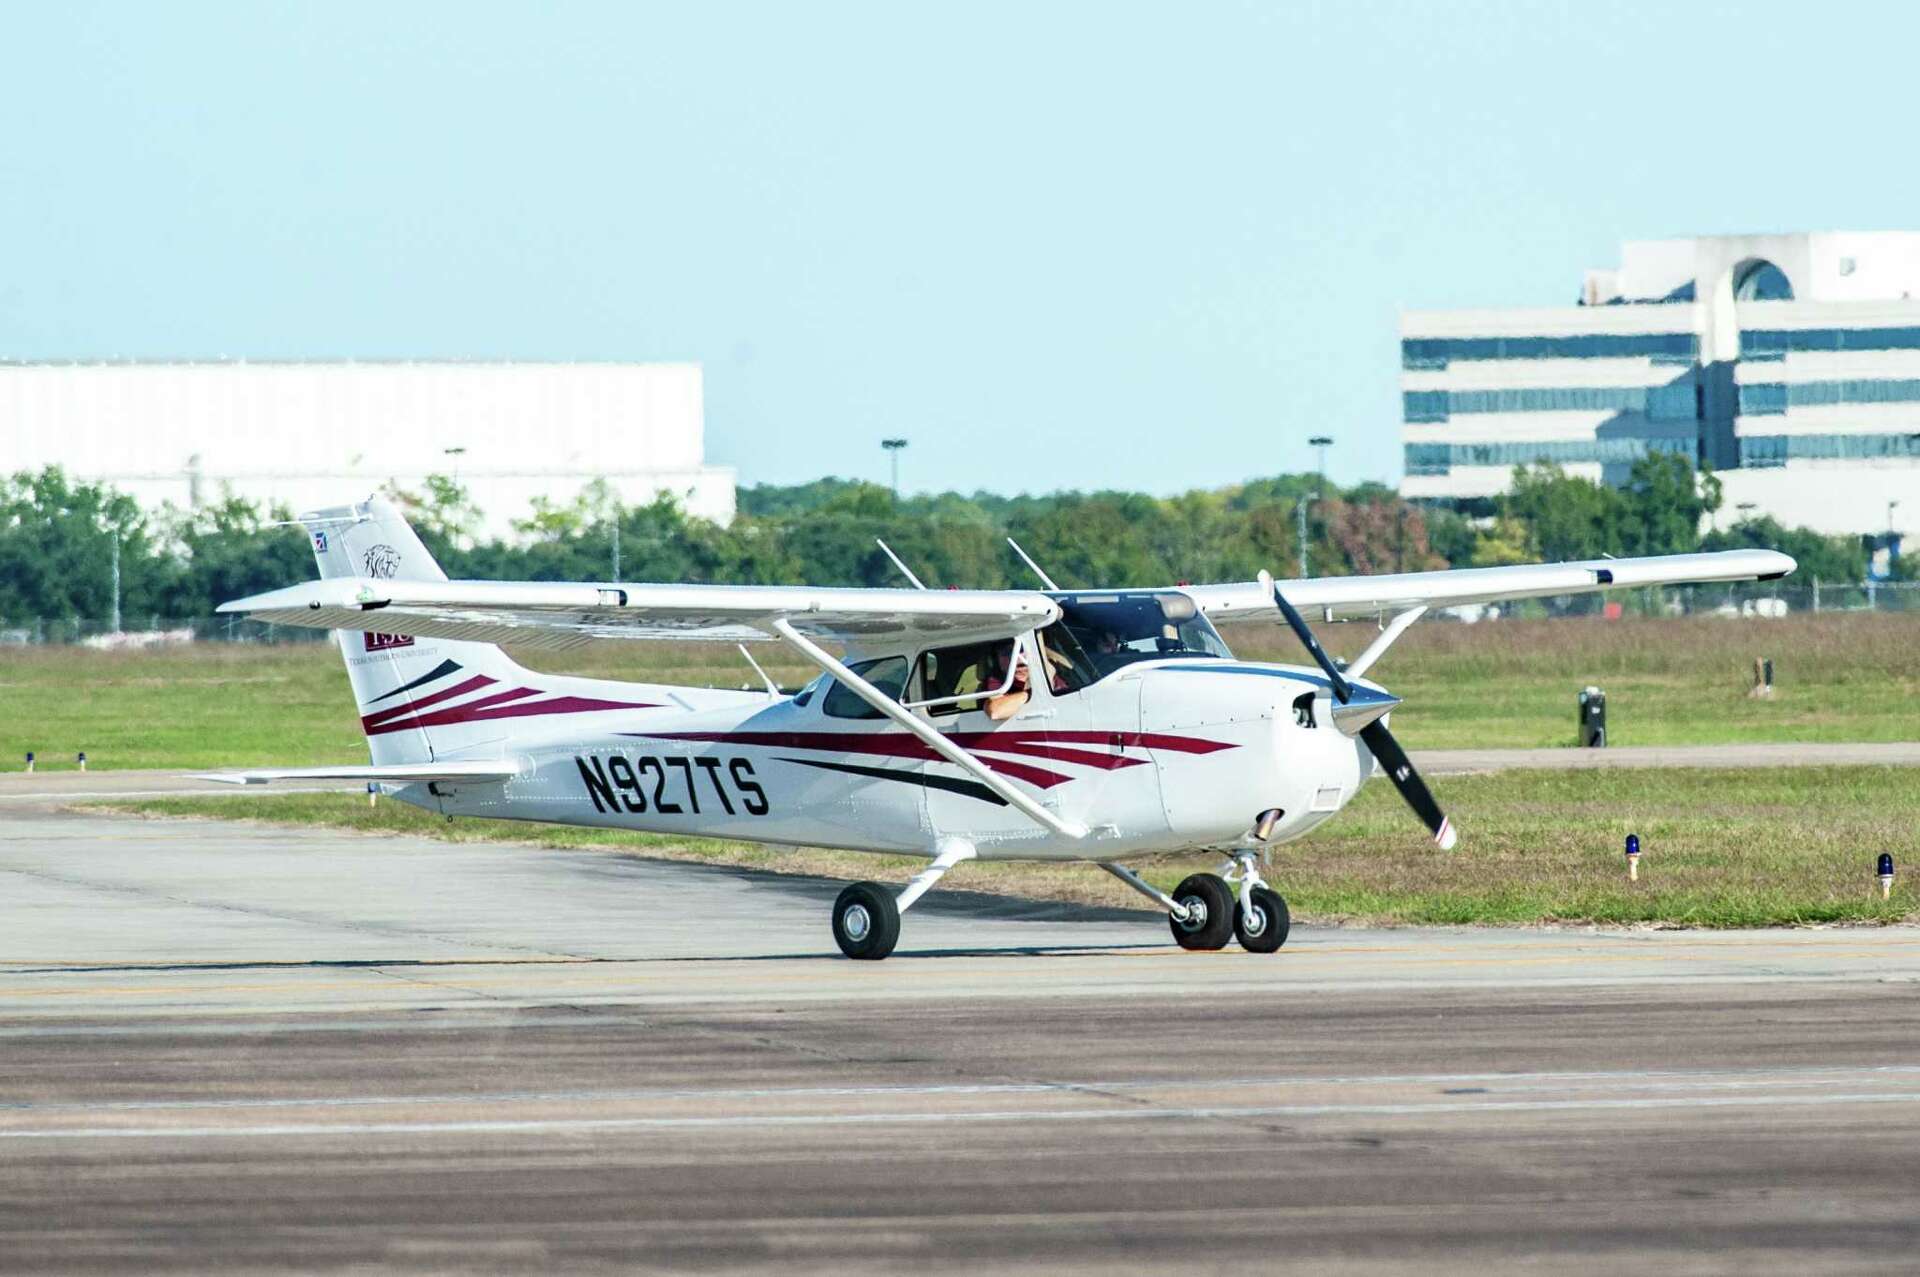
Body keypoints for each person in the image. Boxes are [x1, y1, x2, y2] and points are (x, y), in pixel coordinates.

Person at [982, 642, 1031, 721]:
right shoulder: (996, 681)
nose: (1015, 658)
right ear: (997, 661)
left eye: (1020, 651)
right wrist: (1030, 693)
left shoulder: (1046, 672)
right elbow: (996, 712)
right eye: (1006, 654)